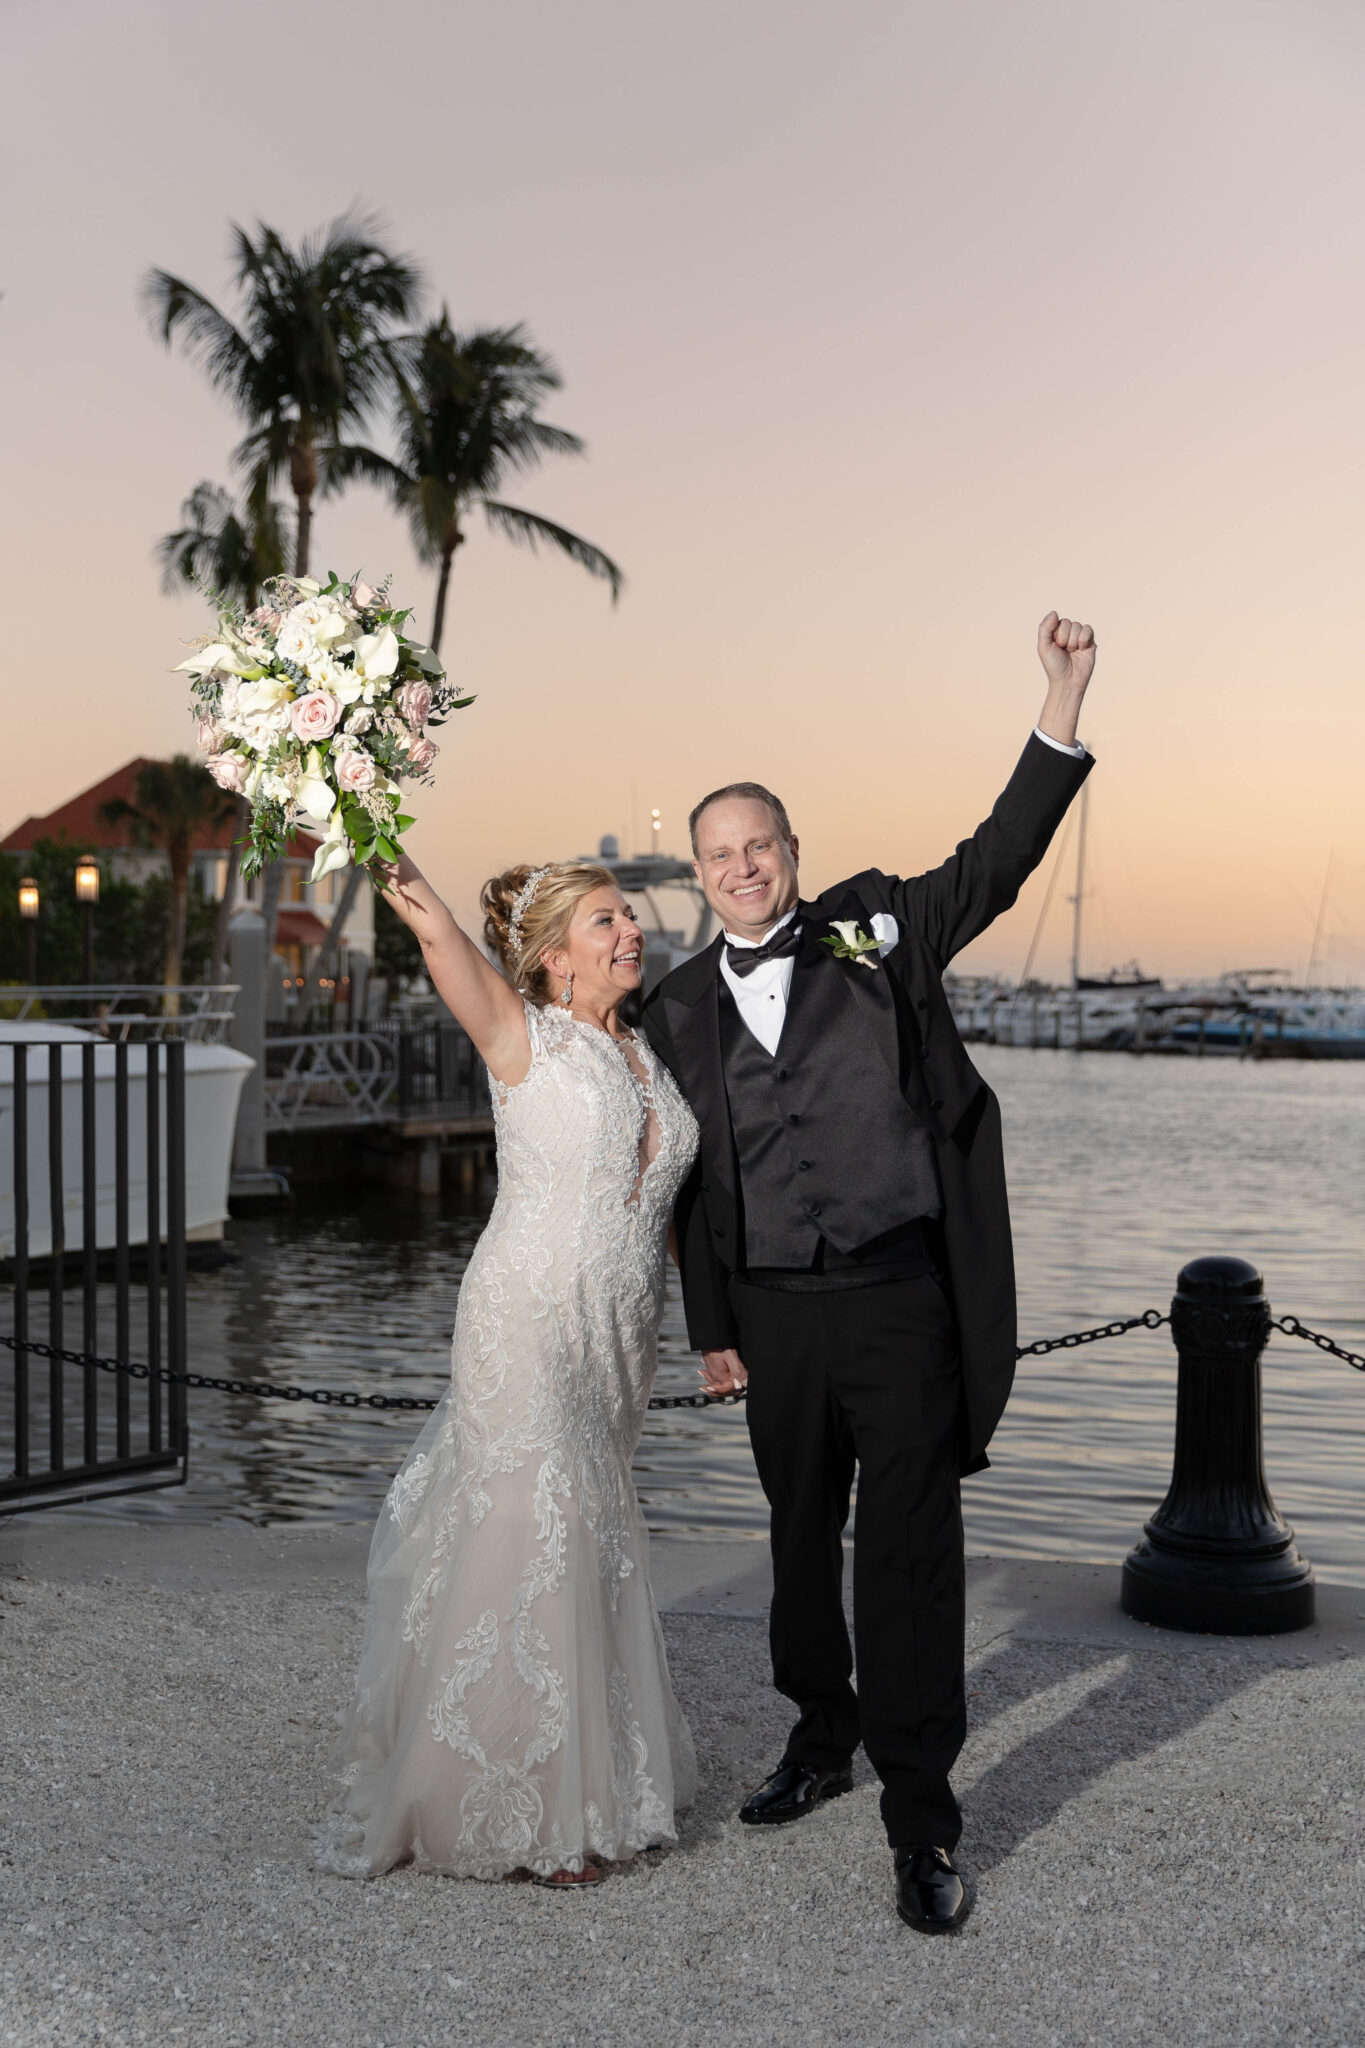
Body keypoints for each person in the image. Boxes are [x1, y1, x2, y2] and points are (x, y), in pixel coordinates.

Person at [642, 611, 1097, 1934]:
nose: (742, 867)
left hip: (902, 1300)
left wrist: (1061, 697)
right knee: (798, 1540)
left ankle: (922, 1818)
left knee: (908, 1554)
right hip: (773, 1311)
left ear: (792, 850)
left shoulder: (879, 926)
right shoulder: (676, 1004)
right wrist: (712, 1327)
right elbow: (691, 1186)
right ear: (700, 874)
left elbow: (1000, 858)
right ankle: (818, 1733)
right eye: (719, 854)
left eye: (760, 845)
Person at [316, 858, 699, 1886]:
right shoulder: (519, 1033)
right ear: (554, 955)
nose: (630, 931)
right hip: (526, 1314)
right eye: (605, 919)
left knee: (588, 1534)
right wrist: (360, 791)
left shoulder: (646, 1052)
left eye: (628, 914)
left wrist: (723, 1328)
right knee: (538, 1527)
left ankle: (587, 1780)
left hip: (619, 1332)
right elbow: (434, 928)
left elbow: (661, 1209)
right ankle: (521, 1813)